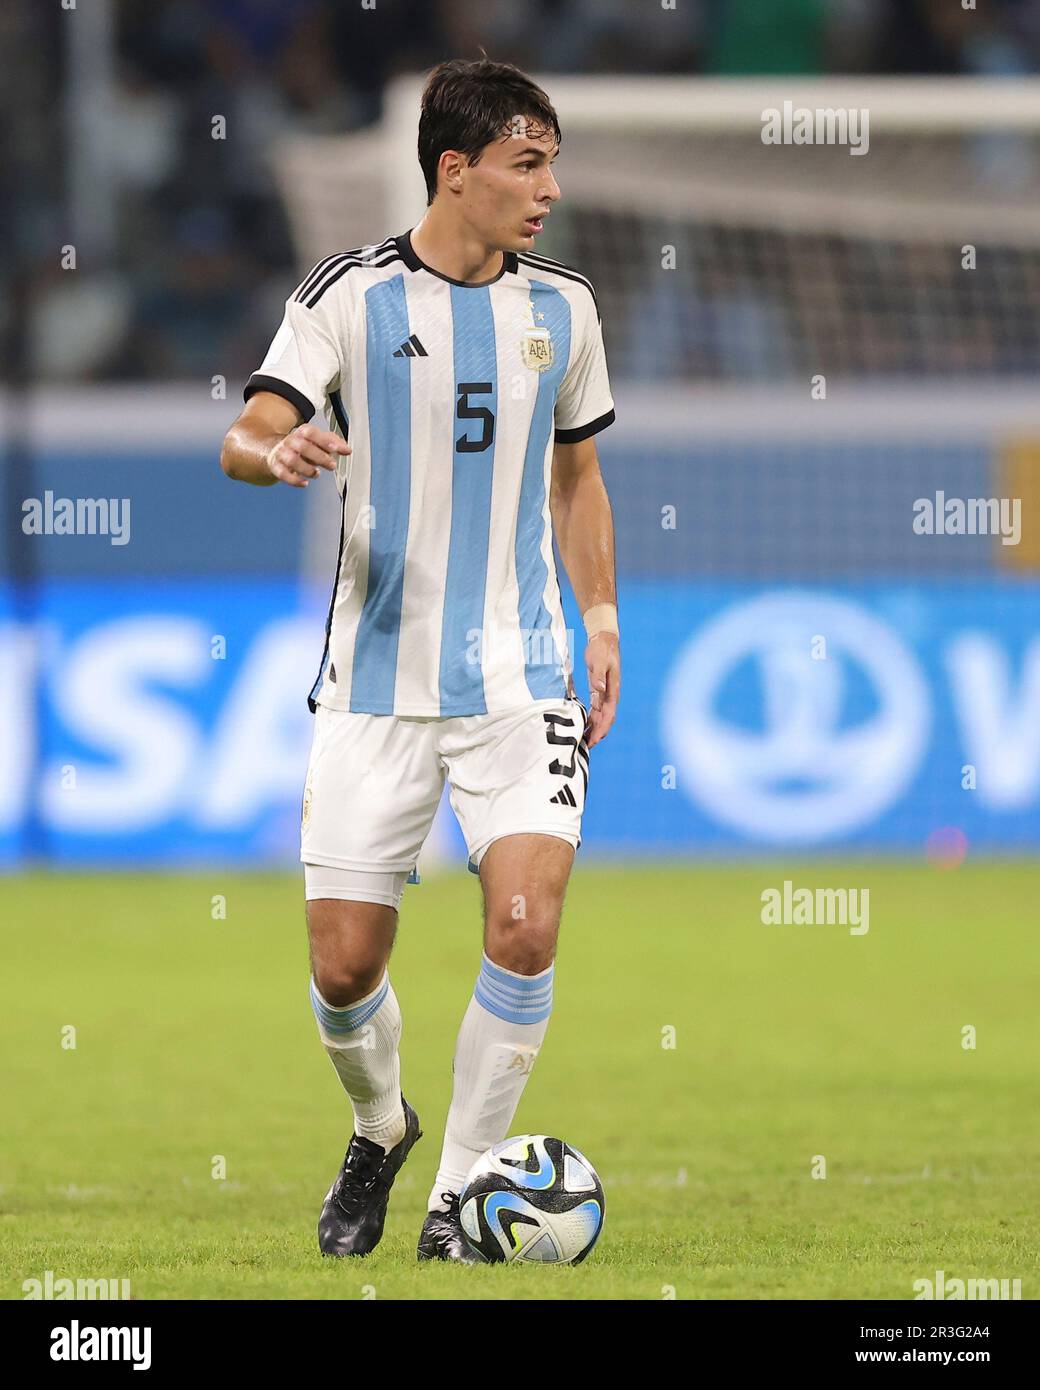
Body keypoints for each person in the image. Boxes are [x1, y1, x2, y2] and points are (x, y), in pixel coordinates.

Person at [219, 57, 619, 1262]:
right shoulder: (345, 295)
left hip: (520, 674)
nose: (547, 188)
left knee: (526, 923)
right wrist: (271, 455)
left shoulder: (565, 309)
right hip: (374, 682)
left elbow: (578, 475)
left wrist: (598, 623)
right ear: (455, 169)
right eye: (525, 163)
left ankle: (457, 1195)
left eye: (551, 161)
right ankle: (381, 1123)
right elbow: (250, 430)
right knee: (344, 973)